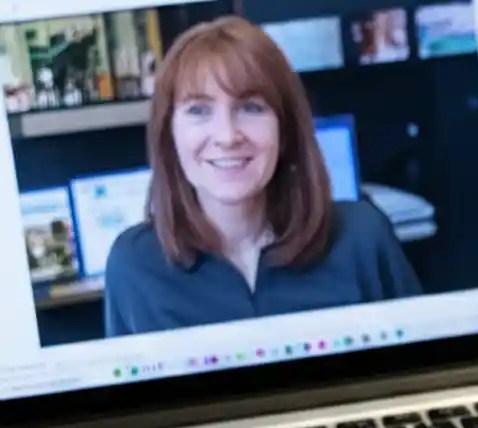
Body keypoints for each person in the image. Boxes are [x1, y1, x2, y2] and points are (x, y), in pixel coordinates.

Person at [103, 16, 423, 338]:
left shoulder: (362, 238)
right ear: (169, 136)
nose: (227, 136)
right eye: (199, 110)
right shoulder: (133, 266)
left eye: (251, 108)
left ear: (285, 131)